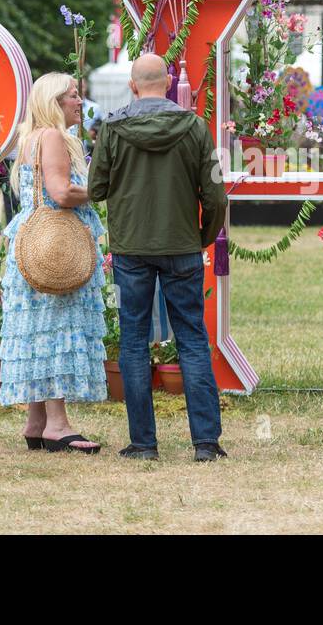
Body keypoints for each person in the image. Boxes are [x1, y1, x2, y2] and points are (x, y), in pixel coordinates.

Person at [88, 53, 228, 462]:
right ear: (168, 84)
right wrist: (201, 235)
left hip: (131, 248)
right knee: (192, 341)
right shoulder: (196, 127)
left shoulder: (112, 129)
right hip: (182, 246)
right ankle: (206, 443)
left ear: (133, 86)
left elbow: (97, 189)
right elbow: (216, 194)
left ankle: (143, 444)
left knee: (133, 342)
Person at [0, 72, 107, 452]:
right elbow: (60, 193)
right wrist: (102, 191)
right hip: (58, 247)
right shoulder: (56, 137)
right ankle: (58, 426)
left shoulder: (30, 138)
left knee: (38, 330)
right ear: (54, 102)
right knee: (58, 328)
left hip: (33, 243)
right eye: (72, 96)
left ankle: (36, 421)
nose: (80, 101)